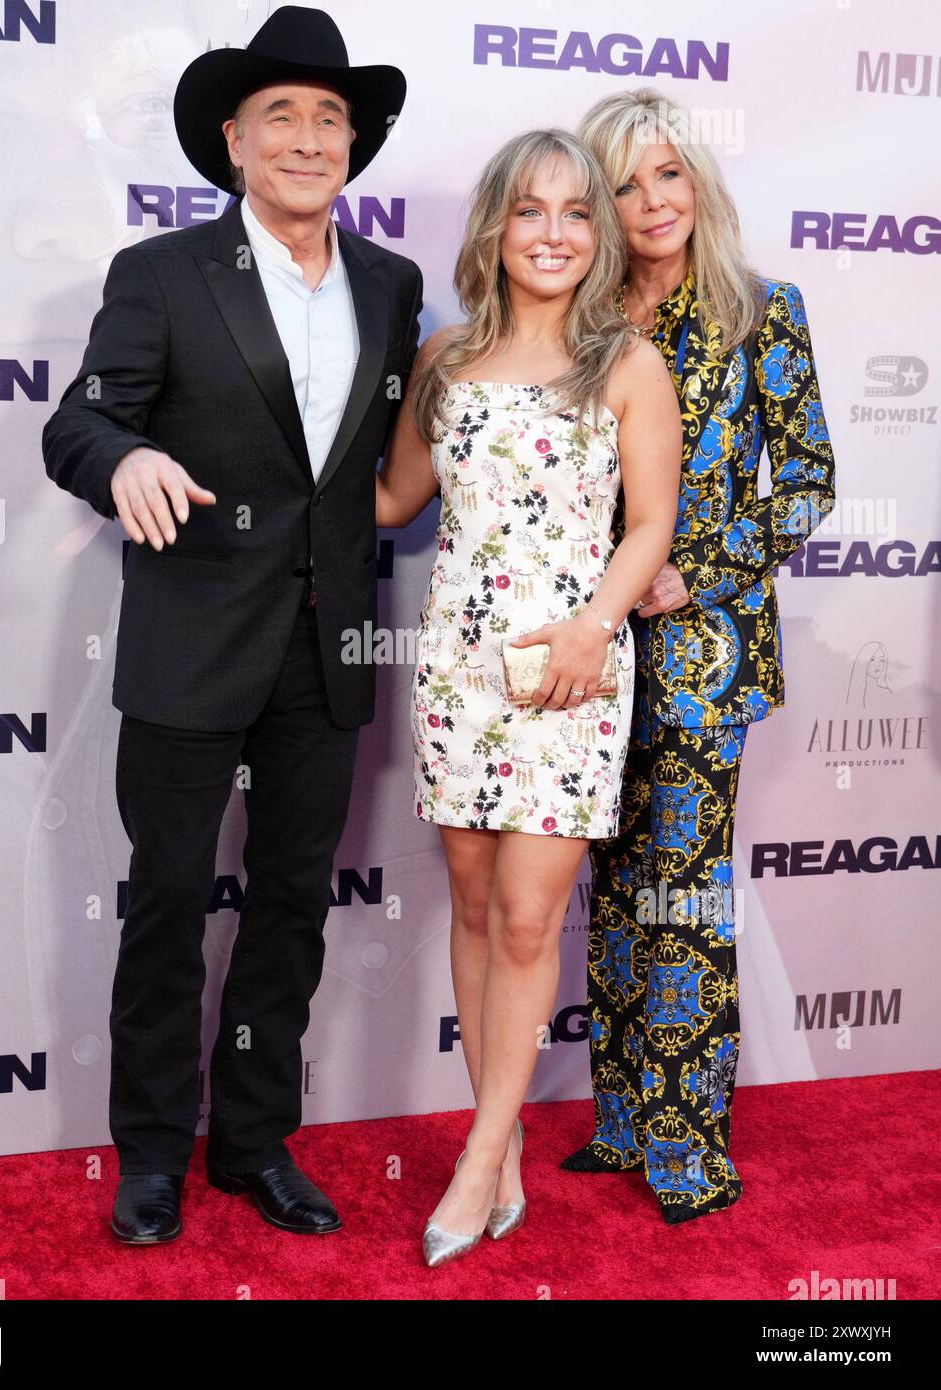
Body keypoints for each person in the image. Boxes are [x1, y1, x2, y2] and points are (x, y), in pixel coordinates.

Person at [42, 5, 422, 1244]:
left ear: (352, 144)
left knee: (291, 904)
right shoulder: (160, 273)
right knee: (165, 902)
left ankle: (253, 1141)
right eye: (281, 117)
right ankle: (153, 1150)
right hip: (191, 641)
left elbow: (378, 462)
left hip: (327, 650)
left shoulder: (392, 284)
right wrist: (124, 457)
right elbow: (79, 420)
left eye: (329, 119)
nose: (308, 139)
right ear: (233, 140)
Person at [376, 129, 682, 1266]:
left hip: (571, 669)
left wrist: (595, 627)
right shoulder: (445, 358)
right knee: (469, 905)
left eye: (575, 213)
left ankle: (476, 1154)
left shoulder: (625, 363)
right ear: (495, 227)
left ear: (597, 235)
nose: (552, 234)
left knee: (523, 919)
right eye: (528, 210)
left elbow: (650, 524)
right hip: (459, 670)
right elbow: (392, 501)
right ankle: (499, 1139)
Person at [560, 88, 836, 1222]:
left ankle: (686, 1146)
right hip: (588, 647)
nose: (650, 200)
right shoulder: (579, 321)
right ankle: (622, 1120)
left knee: (681, 895)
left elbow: (808, 482)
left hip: (700, 654)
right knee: (614, 889)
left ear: (696, 180)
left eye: (666, 173)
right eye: (624, 183)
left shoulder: (760, 309)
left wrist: (701, 565)